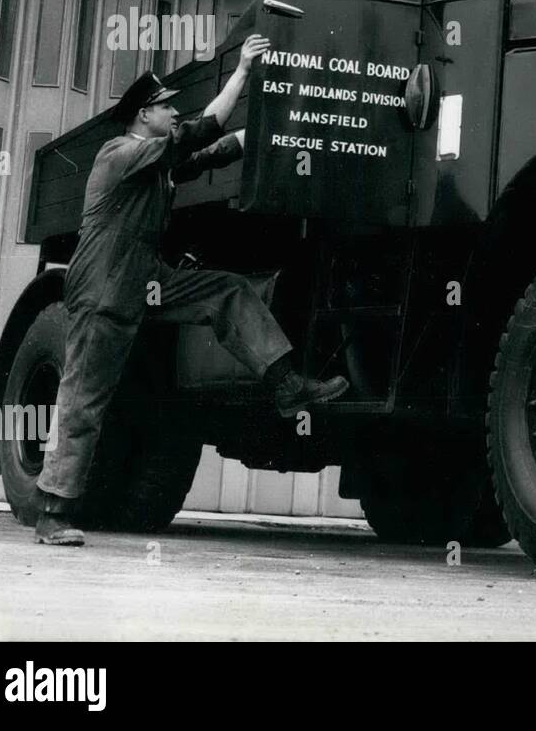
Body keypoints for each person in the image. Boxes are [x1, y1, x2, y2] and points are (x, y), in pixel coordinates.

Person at [34, 35, 348, 546]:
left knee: (226, 291)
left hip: (145, 280)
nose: (173, 113)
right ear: (142, 117)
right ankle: (53, 512)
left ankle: (288, 384)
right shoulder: (119, 153)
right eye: (165, 107)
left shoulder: (151, 164)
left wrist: (270, 129)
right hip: (105, 290)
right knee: (84, 399)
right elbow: (198, 134)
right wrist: (243, 71)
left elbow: (205, 153)